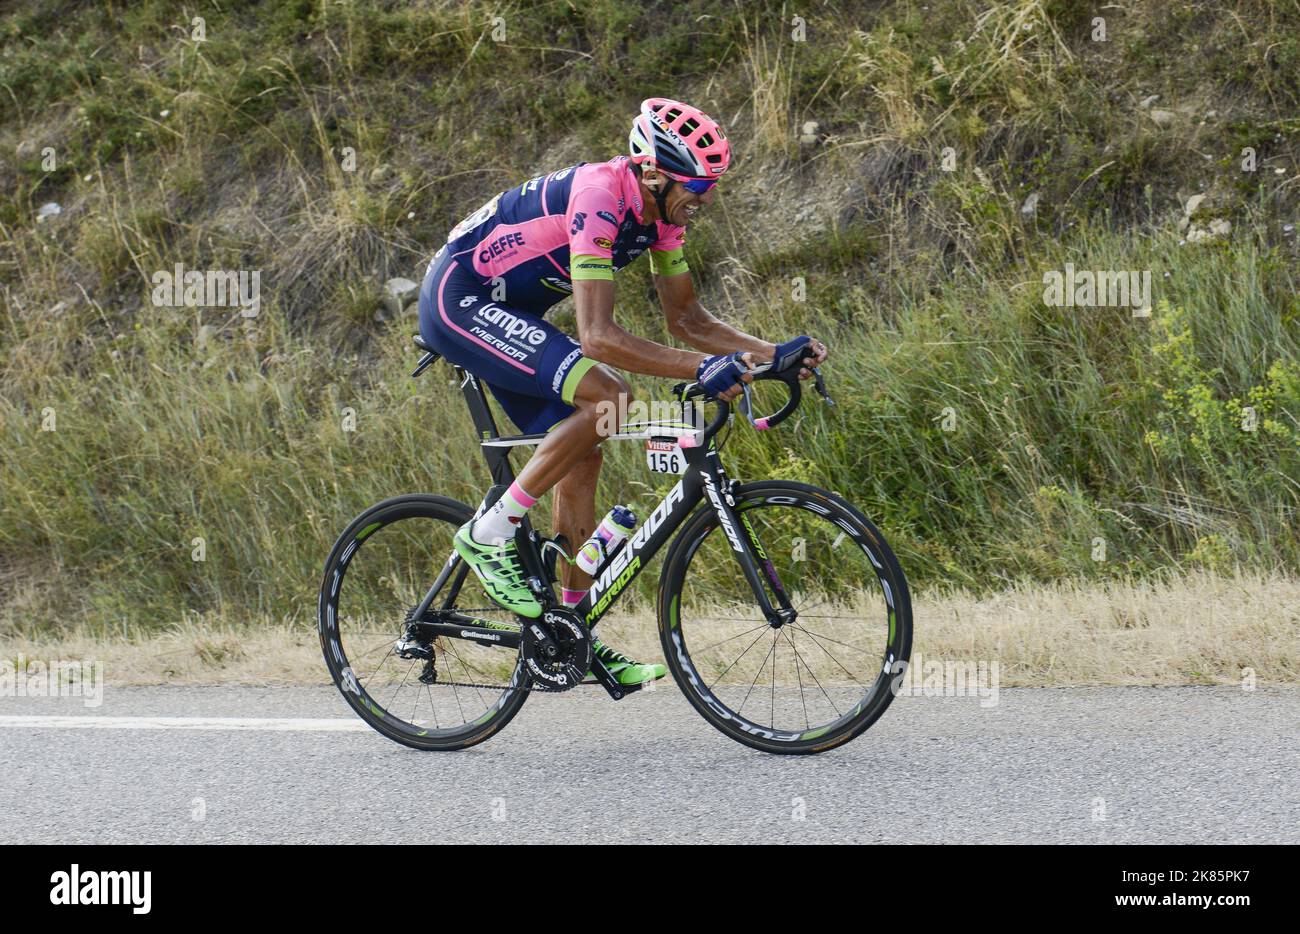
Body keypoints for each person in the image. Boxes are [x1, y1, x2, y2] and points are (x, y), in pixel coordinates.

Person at [417, 98, 828, 685]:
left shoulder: (664, 219)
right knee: (610, 398)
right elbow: (599, 336)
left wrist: (772, 354)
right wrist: (700, 369)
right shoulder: (600, 198)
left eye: (709, 186)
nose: (704, 199)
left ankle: (570, 635)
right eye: (697, 185)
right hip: (458, 298)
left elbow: (688, 321)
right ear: (655, 173)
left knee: (586, 447)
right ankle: (489, 535)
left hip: (513, 309)